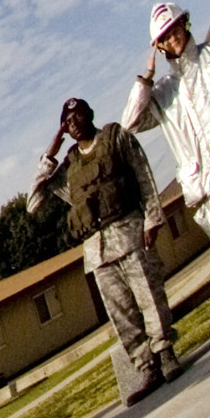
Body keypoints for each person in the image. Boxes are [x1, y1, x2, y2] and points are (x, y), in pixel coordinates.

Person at [28, 97, 177, 400]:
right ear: (64, 131)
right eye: (67, 122)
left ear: (90, 114)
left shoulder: (116, 137)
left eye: (79, 115)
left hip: (130, 232)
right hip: (97, 250)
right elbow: (33, 202)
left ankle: (166, 355)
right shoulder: (69, 165)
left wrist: (153, 218)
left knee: (150, 297)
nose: (75, 122)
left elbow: (143, 176)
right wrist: (51, 152)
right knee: (121, 312)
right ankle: (145, 366)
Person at [124, 2, 210, 243]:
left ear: (185, 23)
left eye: (176, 29)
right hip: (207, 186)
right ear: (158, 46)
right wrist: (145, 79)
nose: (173, 38)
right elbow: (130, 124)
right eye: (165, 36)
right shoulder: (163, 93)